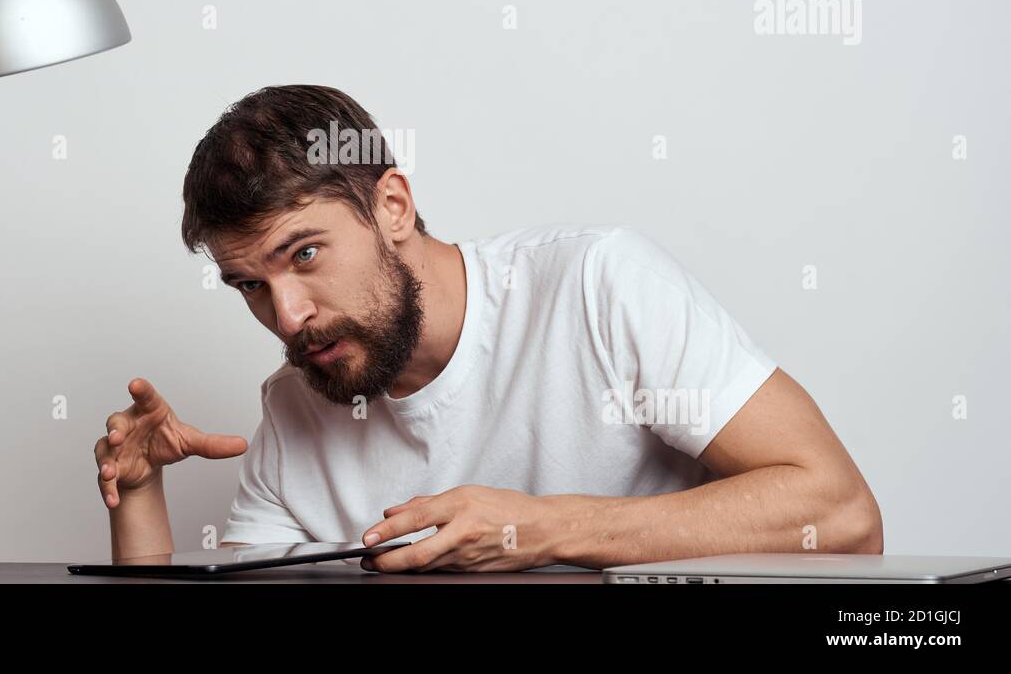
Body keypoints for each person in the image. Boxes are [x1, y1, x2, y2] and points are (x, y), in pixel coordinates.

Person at [93, 85, 883, 571]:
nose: (288, 316)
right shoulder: (295, 410)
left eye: (304, 253)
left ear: (391, 206)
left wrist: (539, 529)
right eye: (250, 286)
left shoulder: (596, 284)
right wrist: (138, 500)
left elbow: (844, 516)